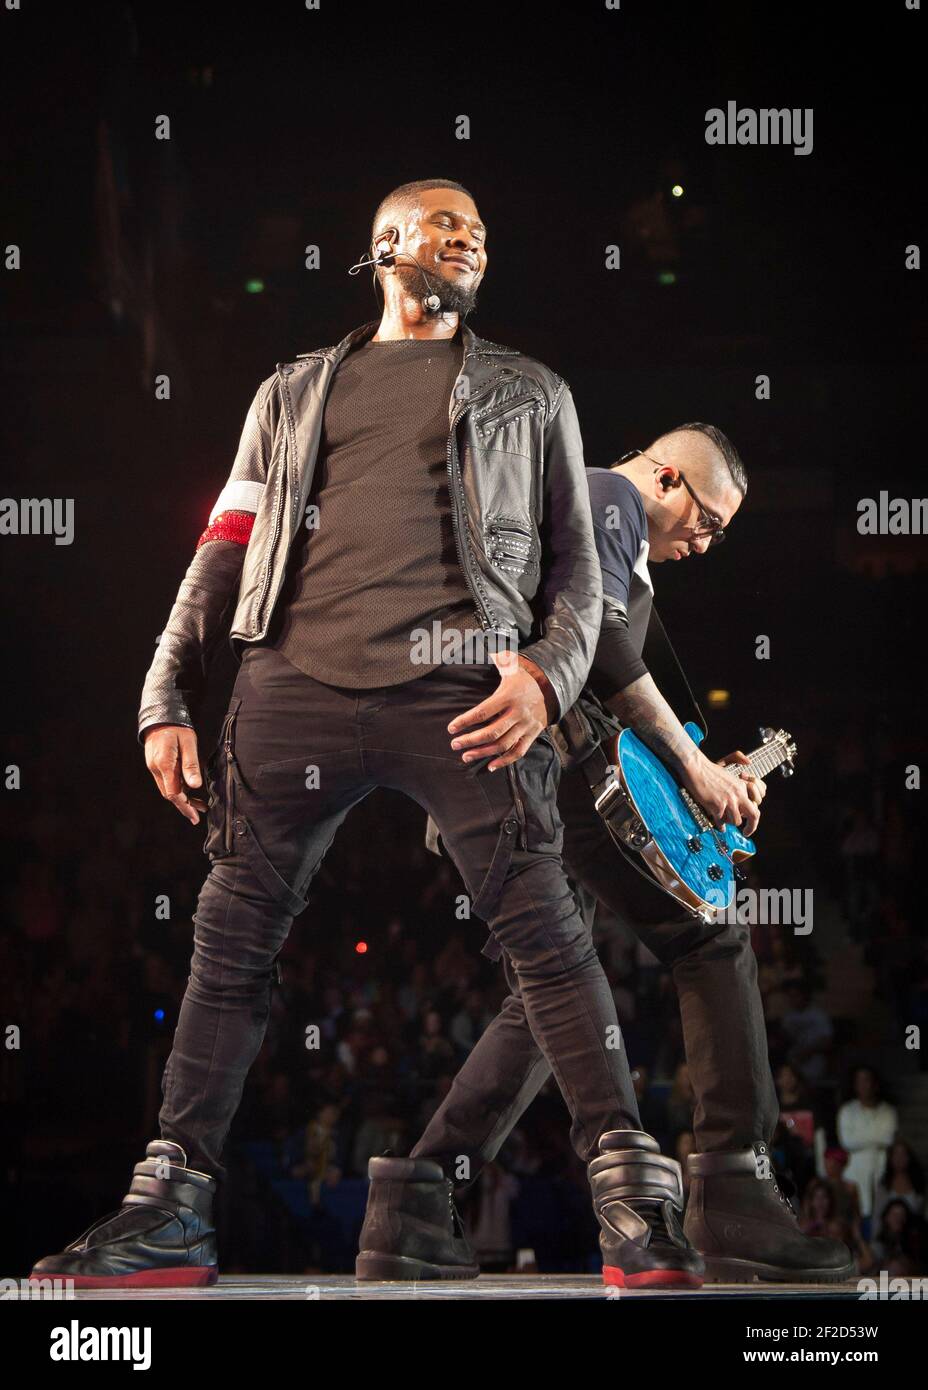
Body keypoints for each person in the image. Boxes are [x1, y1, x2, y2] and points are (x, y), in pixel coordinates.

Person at [29, 178, 702, 1290]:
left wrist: (544, 671)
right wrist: (163, 691)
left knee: (546, 935)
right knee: (229, 942)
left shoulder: (533, 393)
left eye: (482, 230)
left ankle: (632, 1200)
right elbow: (219, 554)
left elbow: (580, 572)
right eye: (448, 225)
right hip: (288, 684)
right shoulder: (289, 392)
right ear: (385, 245)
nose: (471, 242)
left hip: (468, 693)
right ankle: (170, 1209)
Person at [367, 427, 852, 1283]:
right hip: (552, 769)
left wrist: (701, 768)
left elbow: (606, 661)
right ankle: (733, 1191)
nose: (709, 543)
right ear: (668, 477)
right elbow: (601, 645)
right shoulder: (607, 497)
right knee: (711, 939)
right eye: (708, 521)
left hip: (515, 783)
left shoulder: (609, 527)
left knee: (546, 996)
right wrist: (696, 772)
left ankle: (414, 1200)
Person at [837, 1065, 898, 1220]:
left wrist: (862, 1139)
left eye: (867, 1080)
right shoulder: (847, 1111)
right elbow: (847, 1141)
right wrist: (876, 1139)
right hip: (855, 1171)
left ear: (875, 1084)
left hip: (881, 1169)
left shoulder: (888, 1111)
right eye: (859, 1081)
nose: (863, 1085)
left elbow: (889, 1139)